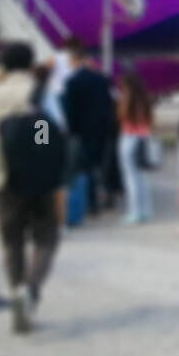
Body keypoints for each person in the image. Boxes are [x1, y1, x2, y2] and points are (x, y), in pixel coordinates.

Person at [0, 42, 61, 333]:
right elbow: (57, 129)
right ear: (29, 64)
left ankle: (15, 292)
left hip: (2, 179)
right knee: (47, 237)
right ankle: (32, 289)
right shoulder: (39, 93)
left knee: (12, 243)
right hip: (38, 178)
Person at [61, 43, 116, 224]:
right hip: (101, 129)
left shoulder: (72, 82)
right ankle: (103, 197)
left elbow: (70, 110)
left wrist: (69, 130)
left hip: (81, 131)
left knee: (84, 167)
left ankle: (90, 203)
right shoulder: (101, 79)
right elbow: (108, 104)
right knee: (99, 164)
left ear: (74, 60)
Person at [116, 71, 156, 224]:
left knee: (130, 177)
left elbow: (121, 116)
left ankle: (134, 211)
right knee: (142, 177)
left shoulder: (127, 99)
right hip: (144, 137)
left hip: (129, 138)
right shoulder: (145, 100)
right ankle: (146, 210)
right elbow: (149, 121)